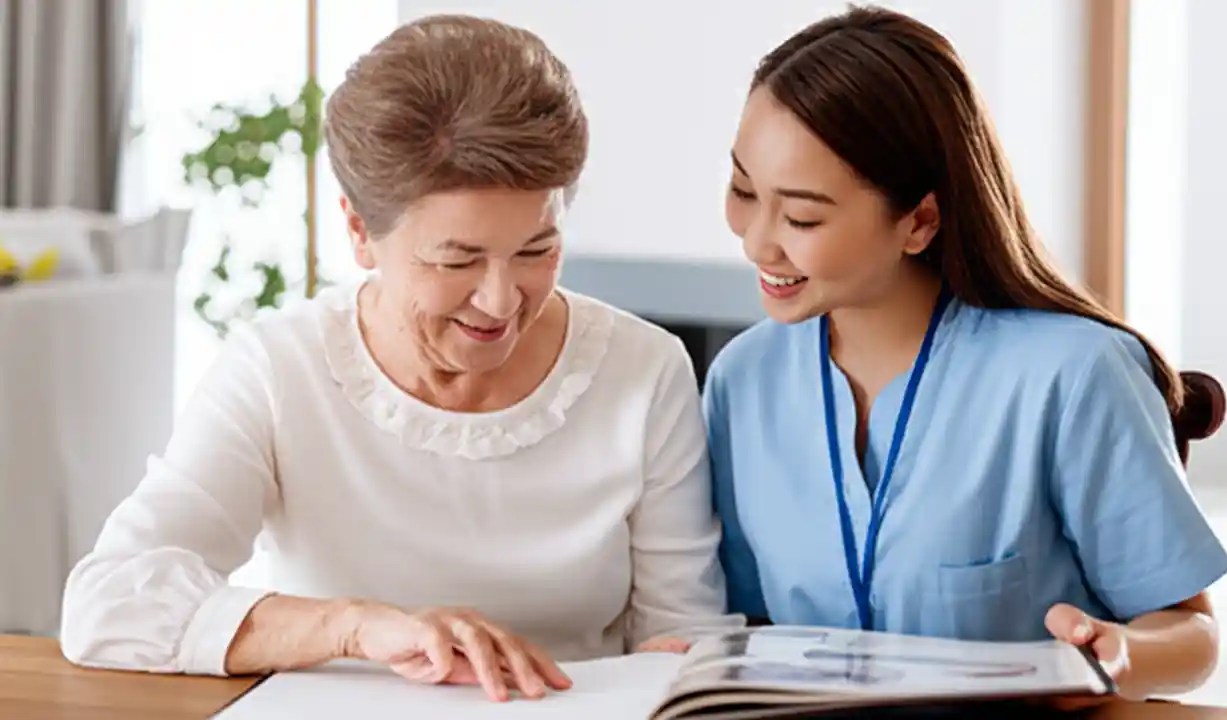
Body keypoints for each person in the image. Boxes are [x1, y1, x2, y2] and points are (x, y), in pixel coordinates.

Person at [61, 14, 737, 703]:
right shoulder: (279, 369)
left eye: (537, 249)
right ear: (359, 230)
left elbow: (684, 638)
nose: (502, 301)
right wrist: (355, 627)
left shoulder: (643, 370)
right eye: (457, 259)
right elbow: (107, 603)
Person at [705, 5, 1227, 702]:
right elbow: (748, 621)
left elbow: (1192, 635)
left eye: (802, 217)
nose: (757, 242)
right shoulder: (743, 381)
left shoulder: (1072, 376)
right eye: (744, 191)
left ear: (919, 220)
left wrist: (1121, 654)